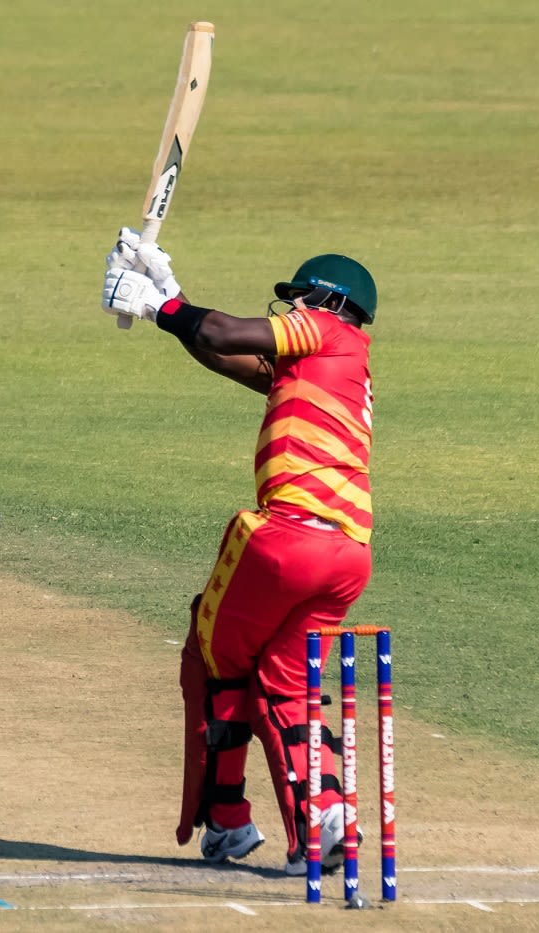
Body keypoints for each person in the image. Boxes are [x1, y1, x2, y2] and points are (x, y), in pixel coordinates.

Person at [101, 230, 377, 875]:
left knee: (213, 661)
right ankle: (328, 817)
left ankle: (225, 821)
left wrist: (152, 306)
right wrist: (170, 294)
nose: (289, 311)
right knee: (282, 683)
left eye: (300, 299)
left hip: (286, 540)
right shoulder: (339, 366)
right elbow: (223, 352)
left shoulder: (325, 333)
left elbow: (225, 333)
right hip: (347, 556)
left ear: (328, 301)